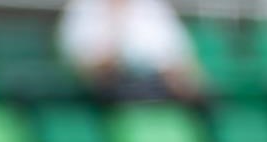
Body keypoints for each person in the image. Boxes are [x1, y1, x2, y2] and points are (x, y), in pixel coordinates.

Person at [58, 0, 208, 104]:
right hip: (113, 83)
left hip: (161, 82)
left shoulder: (152, 5)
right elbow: (84, 64)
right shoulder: (83, 7)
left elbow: (179, 54)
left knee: (204, 95)